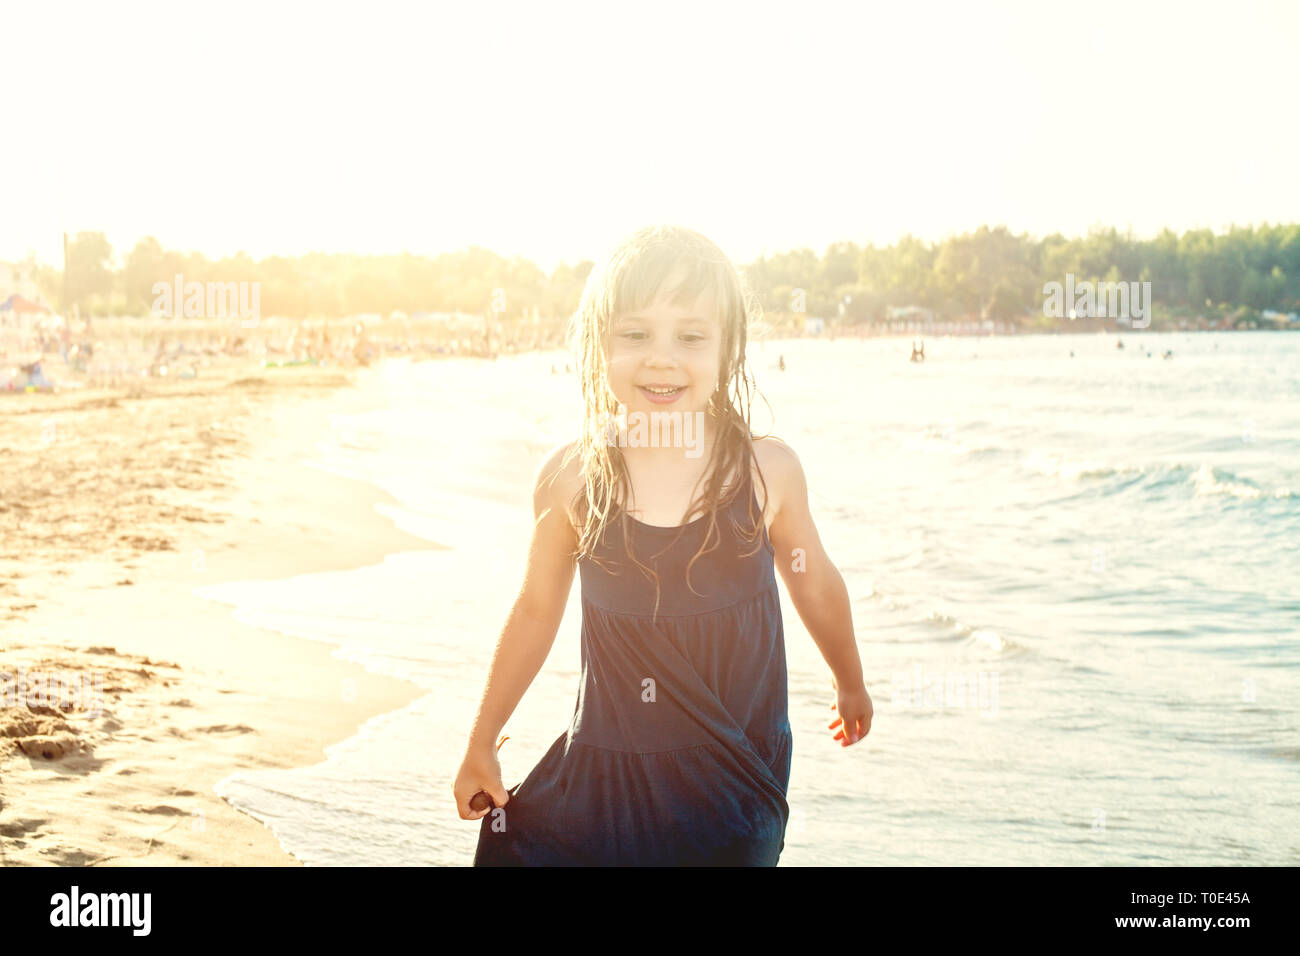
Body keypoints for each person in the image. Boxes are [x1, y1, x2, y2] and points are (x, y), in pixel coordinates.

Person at [455, 224, 872, 866]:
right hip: (607, 780)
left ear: (727, 348)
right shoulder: (572, 481)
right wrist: (482, 740)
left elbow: (814, 582)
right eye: (636, 334)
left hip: (736, 779)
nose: (662, 357)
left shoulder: (765, 473)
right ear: (600, 345)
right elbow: (536, 613)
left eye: (691, 336)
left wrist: (850, 681)